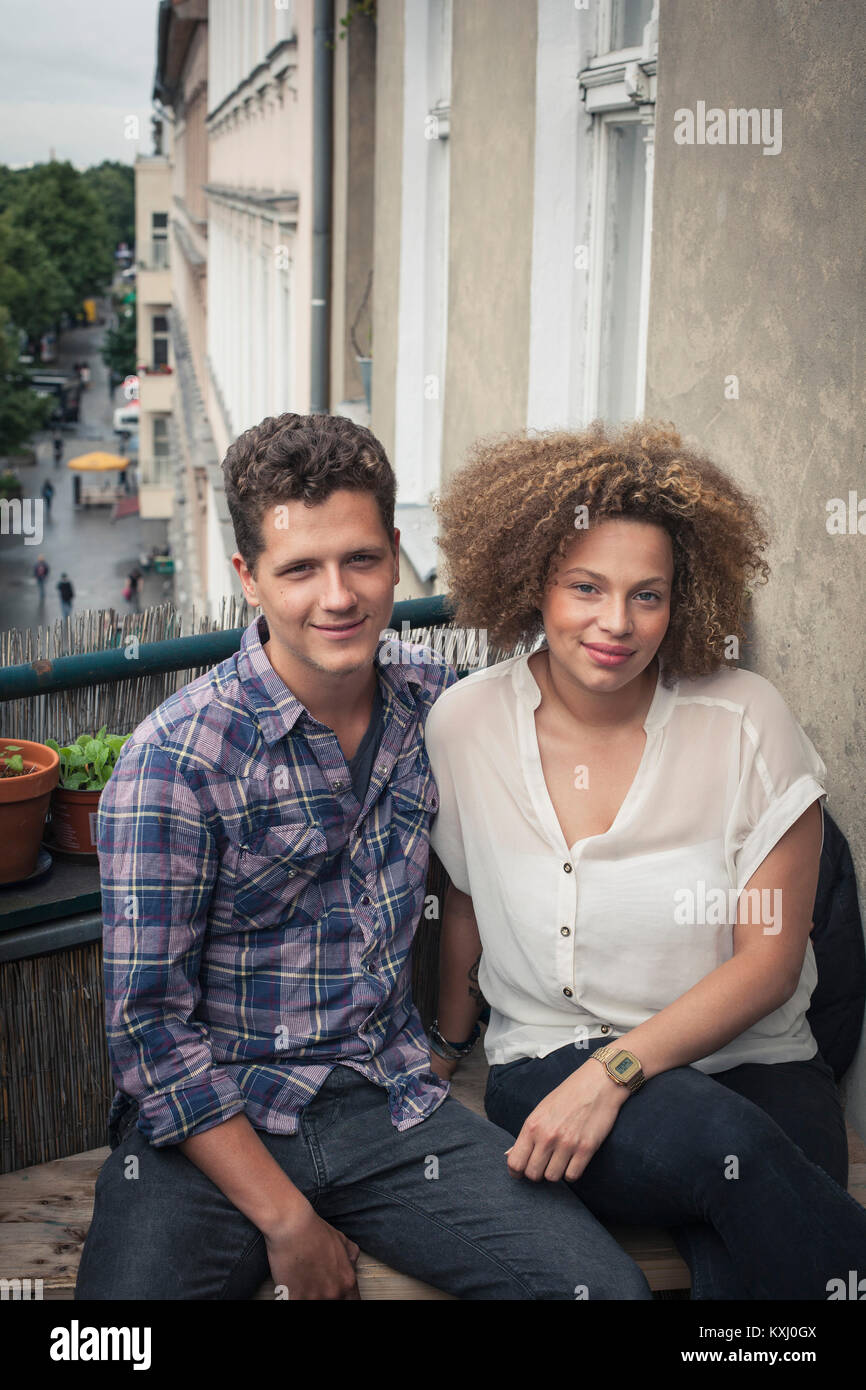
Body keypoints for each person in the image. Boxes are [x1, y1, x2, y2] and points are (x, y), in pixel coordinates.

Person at [75, 412, 651, 1302]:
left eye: (360, 560)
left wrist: (449, 1045)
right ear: (249, 579)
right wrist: (286, 1220)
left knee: (604, 1294)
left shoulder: (437, 703)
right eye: (300, 569)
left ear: (392, 550)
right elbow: (150, 1035)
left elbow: (491, 853)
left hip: (391, 1105)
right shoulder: (175, 761)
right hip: (211, 1129)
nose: (337, 596)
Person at [424, 420, 866, 1301]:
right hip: (553, 1059)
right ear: (531, 582)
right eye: (585, 587)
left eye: (647, 596)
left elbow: (771, 965)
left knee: (745, 1257)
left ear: (686, 598)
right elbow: (465, 900)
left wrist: (616, 1073)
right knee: (732, 1156)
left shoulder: (747, 719)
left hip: (757, 1066)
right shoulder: (465, 725)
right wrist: (445, 1044)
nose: (615, 625)